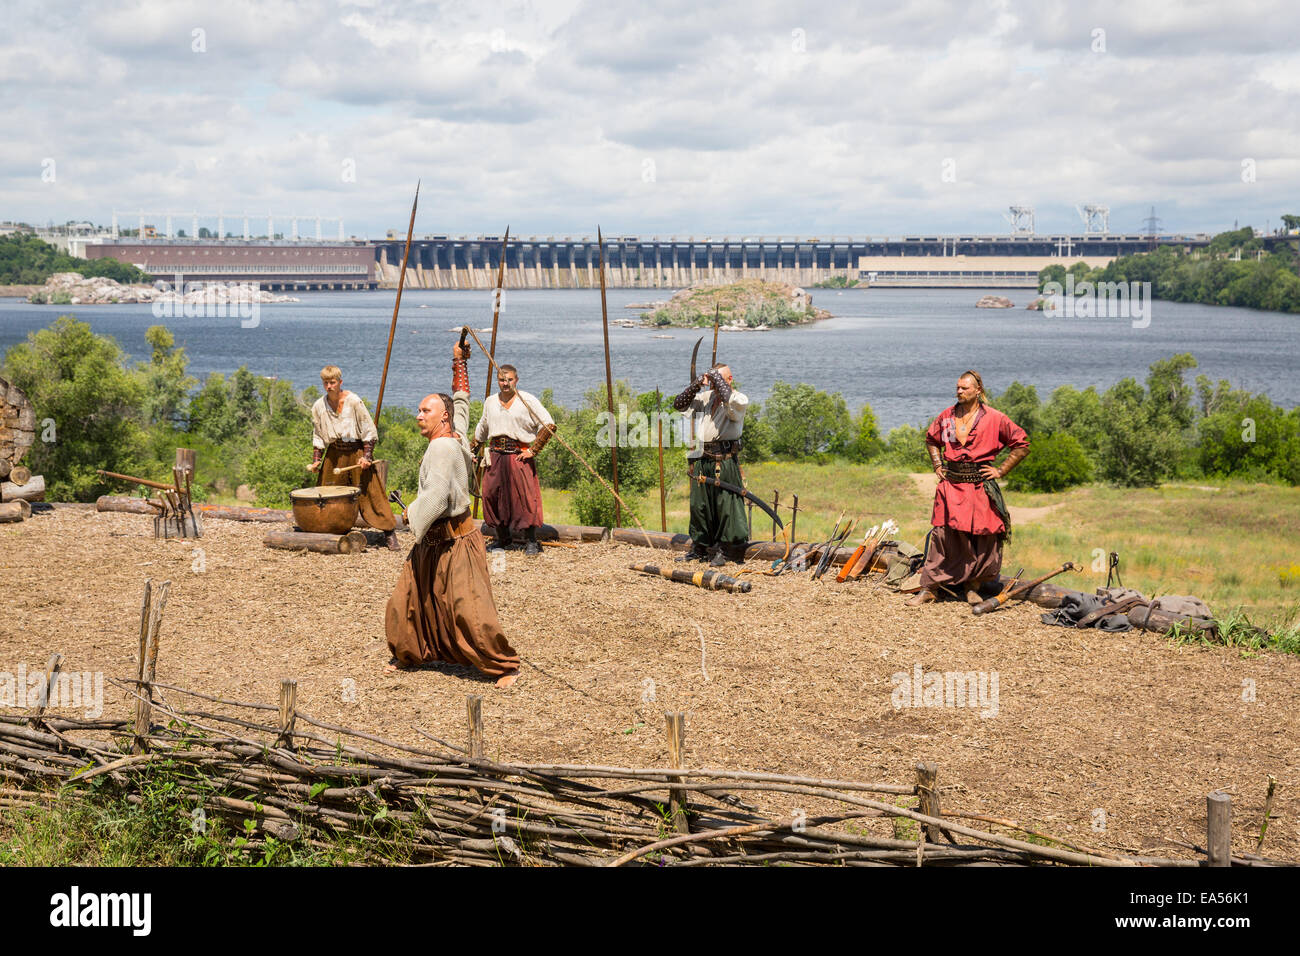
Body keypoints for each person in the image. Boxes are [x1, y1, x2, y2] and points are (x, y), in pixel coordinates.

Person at [384, 343, 520, 687]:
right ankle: (413, 654)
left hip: (455, 542)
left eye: (425, 410)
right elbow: (461, 402)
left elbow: (436, 496)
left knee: (468, 610)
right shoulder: (455, 433)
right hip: (433, 543)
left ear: (441, 417)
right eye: (418, 410)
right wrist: (459, 363)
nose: (418, 415)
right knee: (410, 600)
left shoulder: (443, 447)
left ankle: (504, 666)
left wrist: (410, 516)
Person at [906, 370, 1030, 607]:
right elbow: (932, 440)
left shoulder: (995, 418)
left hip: (980, 487)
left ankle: (973, 586)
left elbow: (1021, 444)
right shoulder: (947, 416)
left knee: (982, 537)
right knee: (942, 536)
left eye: (964, 388)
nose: (959, 391)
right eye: (958, 388)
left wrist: (1001, 470)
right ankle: (930, 587)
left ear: (978, 390)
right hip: (951, 485)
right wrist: (937, 464)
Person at [309, 365, 399, 550]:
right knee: (327, 494)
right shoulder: (318, 406)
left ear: (340, 382)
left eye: (332, 382)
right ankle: (330, 529)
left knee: (371, 493)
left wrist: (367, 456)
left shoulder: (354, 402)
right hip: (333, 454)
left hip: (357, 453)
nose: (329, 386)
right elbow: (318, 434)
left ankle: (389, 532)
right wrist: (317, 459)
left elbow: (368, 430)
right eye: (326, 383)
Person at [471, 363, 556, 556]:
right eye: (502, 380)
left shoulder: (527, 400)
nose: (506, 383)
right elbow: (482, 430)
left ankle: (531, 542)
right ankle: (503, 539)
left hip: (518, 456)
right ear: (498, 381)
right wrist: (471, 452)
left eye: (509, 379)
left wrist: (533, 450)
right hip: (495, 456)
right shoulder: (490, 402)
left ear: (516, 380)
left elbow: (549, 425)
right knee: (492, 496)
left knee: (525, 498)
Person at [672, 363, 749, 567]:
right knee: (700, 506)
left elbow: (728, 398)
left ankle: (728, 550)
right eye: (713, 380)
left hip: (724, 460)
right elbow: (679, 404)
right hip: (703, 459)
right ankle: (701, 548)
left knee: (727, 506)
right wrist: (697, 384)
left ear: (729, 379)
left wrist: (716, 376)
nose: (714, 384)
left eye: (719, 379)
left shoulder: (739, 399)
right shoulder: (707, 397)